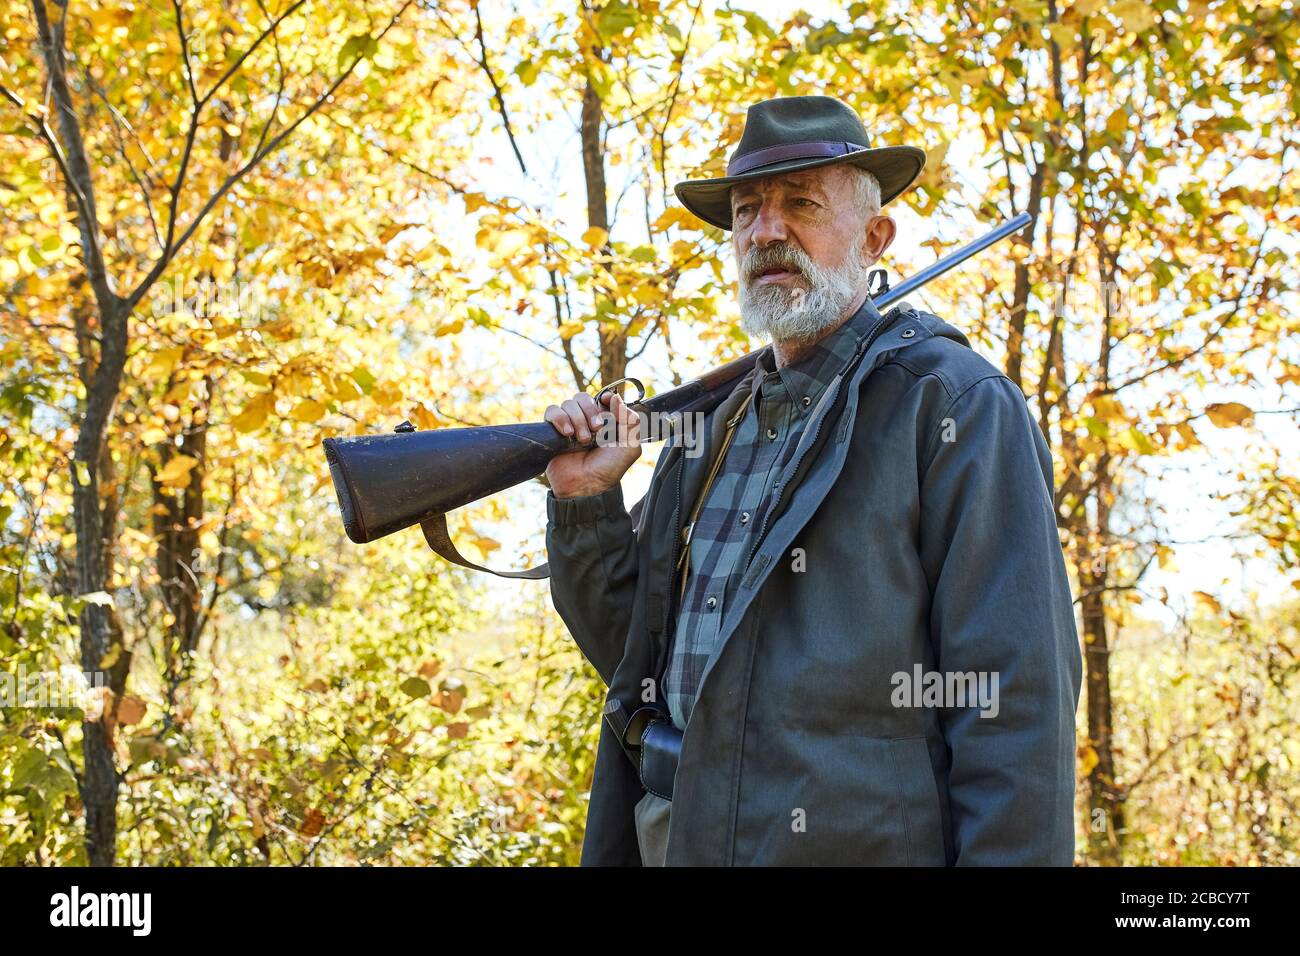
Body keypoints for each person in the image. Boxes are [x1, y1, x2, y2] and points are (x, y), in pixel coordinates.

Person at [543, 95, 1082, 866]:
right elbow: (637, 663)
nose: (766, 231)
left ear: (874, 237)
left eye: (801, 203)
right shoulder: (710, 431)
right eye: (747, 211)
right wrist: (586, 504)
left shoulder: (953, 406)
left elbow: (1011, 704)